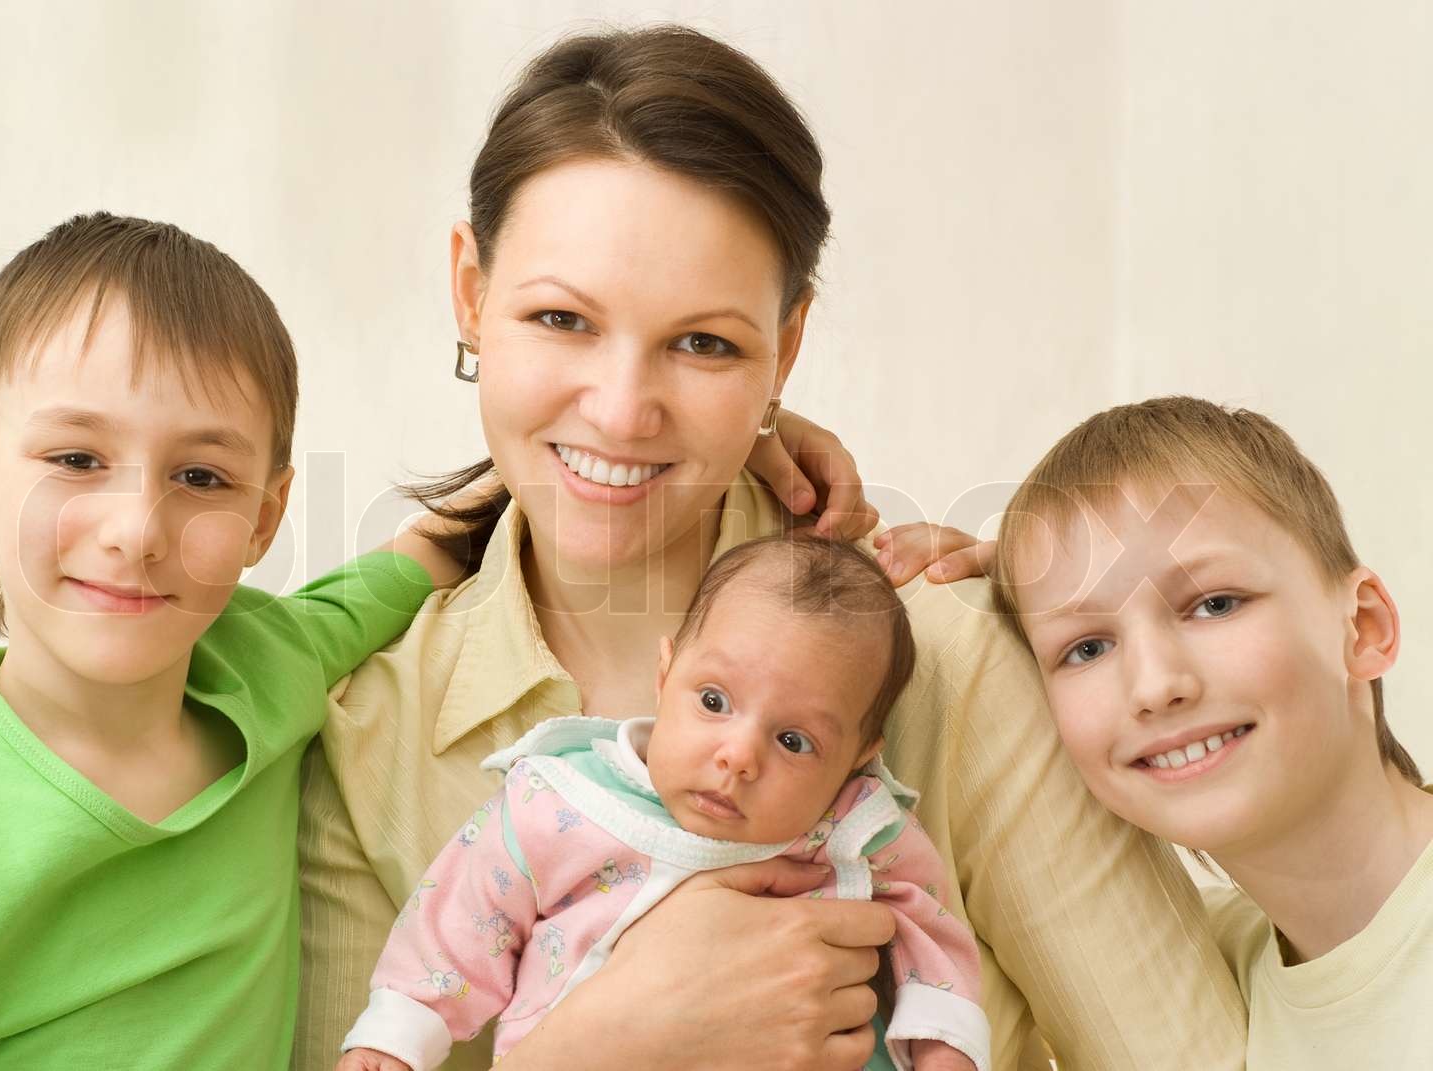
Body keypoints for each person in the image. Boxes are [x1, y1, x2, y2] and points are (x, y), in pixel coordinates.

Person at [295, 25, 1246, 1071]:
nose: (620, 411)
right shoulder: (367, 737)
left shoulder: (957, 661)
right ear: (471, 295)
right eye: (562, 318)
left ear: (783, 346)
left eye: (702, 343)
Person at [0, 212, 445, 1067]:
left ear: (264, 519)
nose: (136, 530)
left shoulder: (266, 663)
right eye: (77, 458)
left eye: (201, 477)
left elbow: (421, 554)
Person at [336, 535, 988, 1071]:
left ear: (856, 755)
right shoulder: (564, 799)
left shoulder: (856, 828)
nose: (738, 754)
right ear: (665, 674)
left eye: (794, 740)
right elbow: (462, 914)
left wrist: (943, 1044)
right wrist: (398, 1033)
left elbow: (934, 932)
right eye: (713, 701)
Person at [991, 396, 1433, 1068]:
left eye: (1214, 604)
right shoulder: (1193, 979)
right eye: (1086, 647)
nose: (1155, 684)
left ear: (1363, 627)